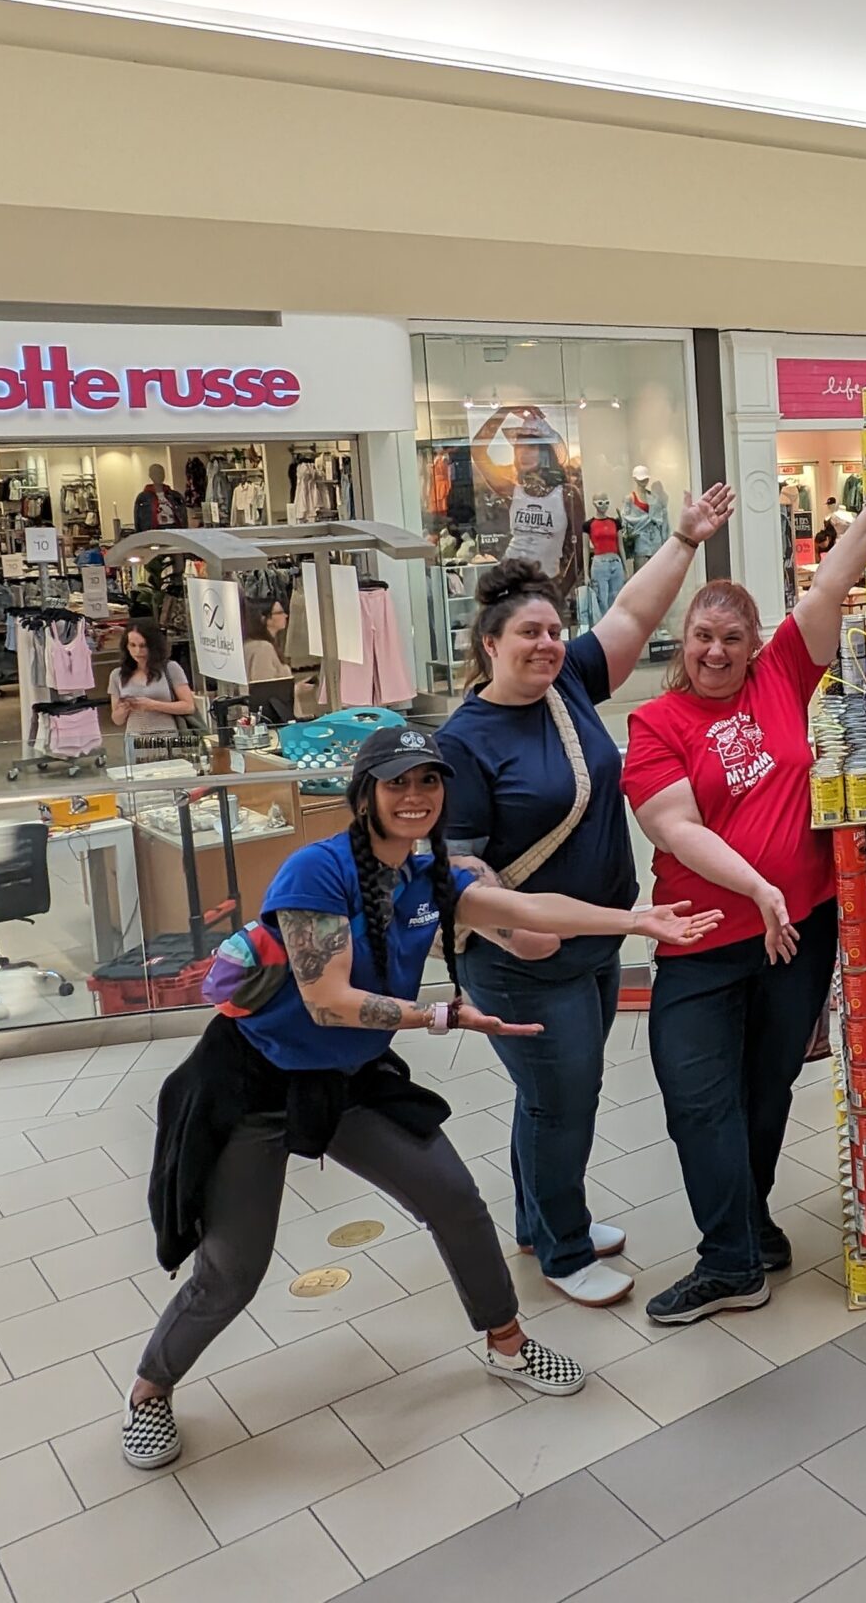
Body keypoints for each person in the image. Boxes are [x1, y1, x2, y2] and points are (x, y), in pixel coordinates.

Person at [122, 727, 719, 1472]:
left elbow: (530, 910)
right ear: (365, 792)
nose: (415, 798)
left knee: (454, 1198)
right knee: (233, 1269)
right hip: (256, 1081)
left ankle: (508, 1344)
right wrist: (442, 1015)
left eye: (428, 783)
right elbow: (330, 1002)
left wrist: (635, 922)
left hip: (350, 1082)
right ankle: (150, 1389)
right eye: (398, 783)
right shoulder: (318, 871)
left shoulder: (431, 877)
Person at [435, 483, 735, 1308]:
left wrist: (682, 538)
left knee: (551, 1096)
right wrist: (511, 938)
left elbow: (632, 617)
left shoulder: (565, 688)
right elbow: (456, 869)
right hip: (527, 958)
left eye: (555, 630)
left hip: (594, 941)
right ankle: (564, 1249)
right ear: (490, 643)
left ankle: (538, 1219)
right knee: (563, 1102)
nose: (548, 643)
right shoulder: (463, 743)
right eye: (529, 632)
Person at [621, 464, 866, 1324]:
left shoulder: (783, 672)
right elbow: (677, 830)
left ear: (752, 642)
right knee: (698, 1098)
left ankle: (744, 1239)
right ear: (684, 640)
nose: (716, 651)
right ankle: (730, 1253)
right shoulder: (655, 725)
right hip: (703, 937)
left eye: (731, 639)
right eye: (703, 636)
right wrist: (757, 886)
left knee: (766, 1086)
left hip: (797, 934)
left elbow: (833, 582)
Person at [109, 620, 196, 763]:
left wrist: (152, 705)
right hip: (135, 739)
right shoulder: (117, 675)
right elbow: (117, 720)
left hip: (167, 737)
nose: (138, 651)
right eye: (133, 645)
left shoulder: (170, 668)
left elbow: (188, 706)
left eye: (143, 646)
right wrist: (124, 709)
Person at [240, 598, 296, 727]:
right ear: (264, 618)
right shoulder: (263, 649)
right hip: (269, 722)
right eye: (279, 612)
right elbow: (265, 692)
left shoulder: (254, 645)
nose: (285, 616)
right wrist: (296, 690)